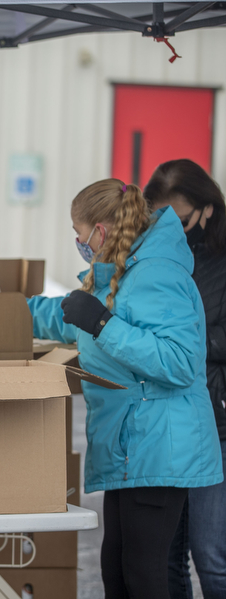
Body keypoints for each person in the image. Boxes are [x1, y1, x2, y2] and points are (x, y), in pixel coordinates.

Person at [27, 178, 222, 599]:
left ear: (100, 230)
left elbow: (180, 361)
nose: (77, 242)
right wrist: (3, 311)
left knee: (143, 575)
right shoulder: (119, 272)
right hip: (132, 445)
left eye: (79, 233)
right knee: (117, 572)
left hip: (158, 442)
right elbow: (71, 316)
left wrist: (102, 323)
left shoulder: (156, 274)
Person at [143, 160, 226, 599]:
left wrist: (183, 338)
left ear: (207, 209)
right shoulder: (159, 256)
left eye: (182, 219)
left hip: (217, 422)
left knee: (212, 558)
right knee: (167, 558)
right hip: (168, 425)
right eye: (161, 219)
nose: (173, 229)